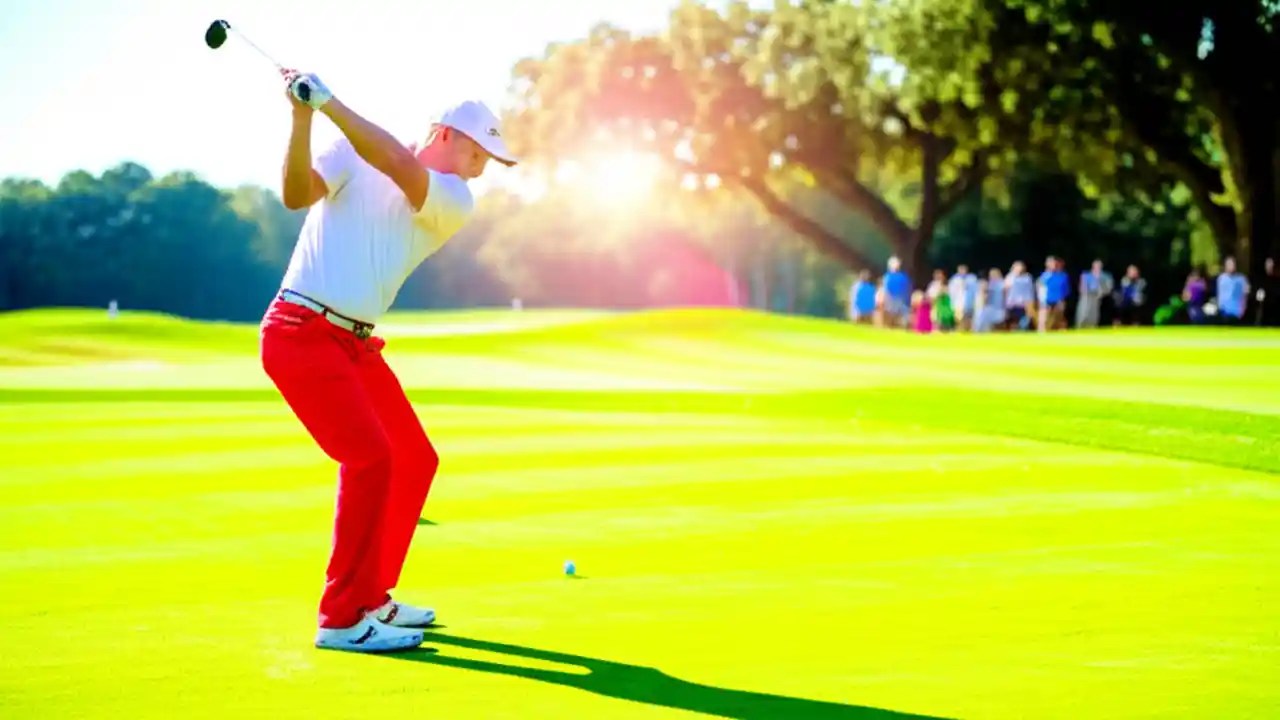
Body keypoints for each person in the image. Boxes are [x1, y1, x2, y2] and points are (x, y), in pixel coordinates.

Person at [259, 69, 515, 654]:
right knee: (371, 458)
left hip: (352, 343)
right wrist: (302, 117)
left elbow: (399, 164)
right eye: (478, 154)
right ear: (446, 134)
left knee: (414, 458)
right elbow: (295, 195)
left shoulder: (453, 198)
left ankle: (372, 597)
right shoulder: (348, 150)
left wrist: (328, 103)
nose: (481, 169)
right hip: (300, 331)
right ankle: (341, 618)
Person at [1037, 256, 1070, 332]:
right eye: (1051, 263)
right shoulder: (1044, 276)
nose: (1053, 265)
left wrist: (1062, 299)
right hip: (1046, 300)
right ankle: (1041, 332)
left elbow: (1065, 289)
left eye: (1055, 263)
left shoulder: (1062, 276)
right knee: (1043, 319)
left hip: (1058, 300)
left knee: (1059, 318)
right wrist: (1041, 299)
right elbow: (1040, 288)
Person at [1075, 259, 1110, 329]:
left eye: (1099, 266)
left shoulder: (1105, 276)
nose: (1098, 267)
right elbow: (1082, 287)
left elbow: (1107, 288)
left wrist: (1101, 293)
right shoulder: (1086, 275)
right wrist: (1084, 292)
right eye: (1096, 266)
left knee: (1093, 314)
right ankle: (1080, 326)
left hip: (1097, 297)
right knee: (1083, 312)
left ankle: (1092, 326)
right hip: (1086, 297)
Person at [1215, 256, 1249, 325]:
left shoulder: (1242, 279)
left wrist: (1242, 310)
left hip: (1236, 312)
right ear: (1225, 266)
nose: (1231, 266)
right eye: (1229, 264)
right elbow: (1219, 294)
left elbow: (1245, 295)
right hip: (1223, 312)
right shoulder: (1221, 278)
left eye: (1233, 264)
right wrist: (1219, 306)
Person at [880, 256, 912, 329]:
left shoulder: (901, 277)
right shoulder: (890, 276)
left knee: (895, 320)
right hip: (896, 301)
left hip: (896, 301)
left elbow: (907, 289)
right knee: (894, 320)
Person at [1005, 261, 1035, 331]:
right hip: (1012, 302)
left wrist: (1031, 301)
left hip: (1025, 302)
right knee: (1012, 319)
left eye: (1020, 267)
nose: (1019, 269)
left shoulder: (1027, 277)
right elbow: (1006, 288)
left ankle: (1022, 330)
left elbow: (1030, 290)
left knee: (1025, 318)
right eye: (1017, 267)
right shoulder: (1010, 277)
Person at [973, 268, 1006, 332]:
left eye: (995, 274)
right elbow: (984, 295)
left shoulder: (1002, 283)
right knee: (989, 326)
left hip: (998, 308)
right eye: (992, 274)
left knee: (997, 326)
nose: (993, 276)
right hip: (990, 308)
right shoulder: (989, 284)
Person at [948, 264, 979, 330]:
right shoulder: (954, 279)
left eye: (963, 269)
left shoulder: (972, 278)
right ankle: (959, 330)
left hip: (969, 303)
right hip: (958, 303)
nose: (962, 271)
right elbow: (951, 292)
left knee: (969, 319)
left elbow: (976, 291)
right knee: (958, 319)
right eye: (960, 270)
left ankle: (969, 330)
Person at [1258, 257, 1279, 327]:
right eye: (1267, 264)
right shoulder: (1261, 280)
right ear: (1265, 266)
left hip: (1276, 311)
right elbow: (1259, 297)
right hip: (1265, 311)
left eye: (1271, 264)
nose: (1269, 266)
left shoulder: (1277, 280)